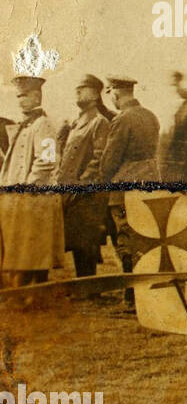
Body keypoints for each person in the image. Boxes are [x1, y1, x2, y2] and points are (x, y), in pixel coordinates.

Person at [99, 75, 160, 305]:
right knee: (147, 237)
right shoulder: (151, 116)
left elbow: (109, 160)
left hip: (125, 187)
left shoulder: (122, 119)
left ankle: (131, 297)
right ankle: (147, 293)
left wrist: (104, 179)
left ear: (115, 93)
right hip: (151, 183)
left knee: (126, 239)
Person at [0, 76, 64, 288]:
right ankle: (26, 293)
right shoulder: (23, 125)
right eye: (18, 96)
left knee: (33, 249)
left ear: (37, 96)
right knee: (22, 247)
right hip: (20, 198)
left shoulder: (43, 124)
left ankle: (34, 293)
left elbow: (46, 161)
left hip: (34, 197)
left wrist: (28, 185)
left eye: (25, 95)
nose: (20, 100)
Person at [55, 75, 111, 277]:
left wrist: (82, 184)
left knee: (86, 240)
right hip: (69, 190)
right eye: (77, 88)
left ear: (96, 94)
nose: (77, 91)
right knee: (76, 238)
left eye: (83, 88)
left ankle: (89, 287)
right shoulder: (76, 122)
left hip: (86, 193)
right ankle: (84, 285)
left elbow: (99, 158)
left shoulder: (99, 122)